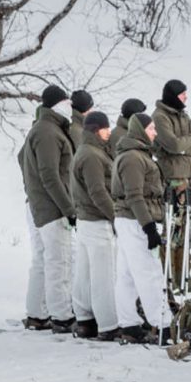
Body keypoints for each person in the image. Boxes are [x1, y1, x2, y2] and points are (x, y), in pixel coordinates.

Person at [20, 84, 77, 333]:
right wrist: (68, 208)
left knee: (44, 261)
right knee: (58, 262)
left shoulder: (43, 128)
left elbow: (22, 157)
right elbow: (50, 175)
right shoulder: (48, 132)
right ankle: (62, 315)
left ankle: (37, 313)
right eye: (66, 102)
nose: (70, 107)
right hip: (52, 207)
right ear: (56, 105)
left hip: (40, 204)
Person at [111, 113, 169, 343]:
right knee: (149, 272)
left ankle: (129, 323)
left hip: (129, 220)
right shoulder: (133, 158)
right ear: (140, 130)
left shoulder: (136, 155)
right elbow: (135, 195)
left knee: (126, 275)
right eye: (152, 128)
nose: (155, 132)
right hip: (135, 220)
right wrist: (149, 228)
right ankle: (163, 324)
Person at [152, 79, 191, 285]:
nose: (186, 97)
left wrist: (186, 143)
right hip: (173, 180)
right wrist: (186, 142)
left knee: (189, 230)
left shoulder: (184, 115)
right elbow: (172, 144)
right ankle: (169, 275)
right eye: (183, 94)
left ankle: (184, 272)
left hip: (189, 179)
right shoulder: (160, 117)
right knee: (174, 228)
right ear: (174, 95)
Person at [69, 111, 116, 340]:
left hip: (86, 220)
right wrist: (115, 216)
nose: (109, 132)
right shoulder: (92, 155)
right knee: (103, 275)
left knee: (85, 274)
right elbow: (98, 191)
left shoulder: (84, 151)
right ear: (97, 129)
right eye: (106, 128)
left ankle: (85, 319)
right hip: (97, 221)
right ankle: (108, 324)